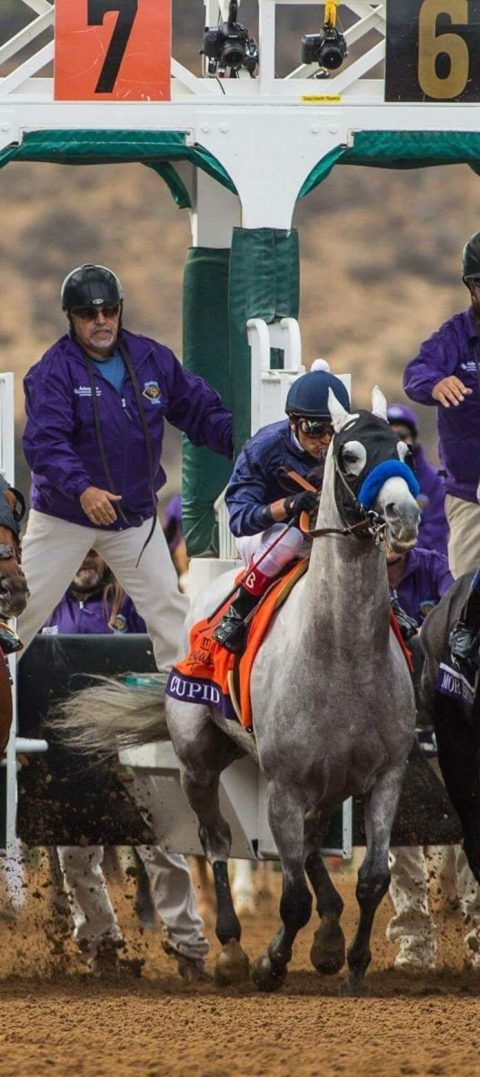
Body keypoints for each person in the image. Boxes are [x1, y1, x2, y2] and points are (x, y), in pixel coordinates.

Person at [18, 264, 233, 669]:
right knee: (18, 614)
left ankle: (190, 719)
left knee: (171, 617)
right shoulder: (52, 372)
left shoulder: (153, 360)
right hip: (64, 518)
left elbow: (202, 413)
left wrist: (246, 442)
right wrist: (82, 489)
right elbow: (46, 445)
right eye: (88, 314)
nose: (101, 321)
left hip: (131, 519)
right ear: (71, 318)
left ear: (119, 310)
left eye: (110, 310)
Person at [42, 550, 209, 980]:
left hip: (131, 744)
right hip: (71, 751)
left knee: (162, 844)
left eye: (96, 550)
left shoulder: (131, 601)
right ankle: (100, 944)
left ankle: (189, 949)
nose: (87, 558)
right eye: (79, 549)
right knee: (74, 851)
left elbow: (163, 663)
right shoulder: (46, 603)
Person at [384, 544, 480, 969]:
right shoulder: (352, 570)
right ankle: (414, 942)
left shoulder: (432, 565)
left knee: (469, 818)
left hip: (433, 700)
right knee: (394, 828)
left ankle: (477, 936)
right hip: (382, 718)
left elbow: (444, 605)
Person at [213, 367, 350, 652]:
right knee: (290, 538)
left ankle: (391, 603)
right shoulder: (264, 447)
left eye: (332, 429)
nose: (325, 440)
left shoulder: (345, 447)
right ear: (293, 422)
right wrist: (287, 506)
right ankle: (239, 611)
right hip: (266, 537)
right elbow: (239, 520)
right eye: (314, 429)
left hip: (325, 532)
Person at [403, 230, 480, 672]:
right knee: (465, 587)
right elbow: (416, 373)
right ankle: (454, 671)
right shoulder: (453, 337)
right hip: (470, 494)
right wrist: (436, 382)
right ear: (472, 286)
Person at [386, 403, 448, 558]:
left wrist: (401, 550)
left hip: (421, 566)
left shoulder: (434, 481)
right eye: (389, 436)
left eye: (402, 436)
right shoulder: (371, 478)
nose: (397, 442)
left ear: (413, 438)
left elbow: (435, 531)